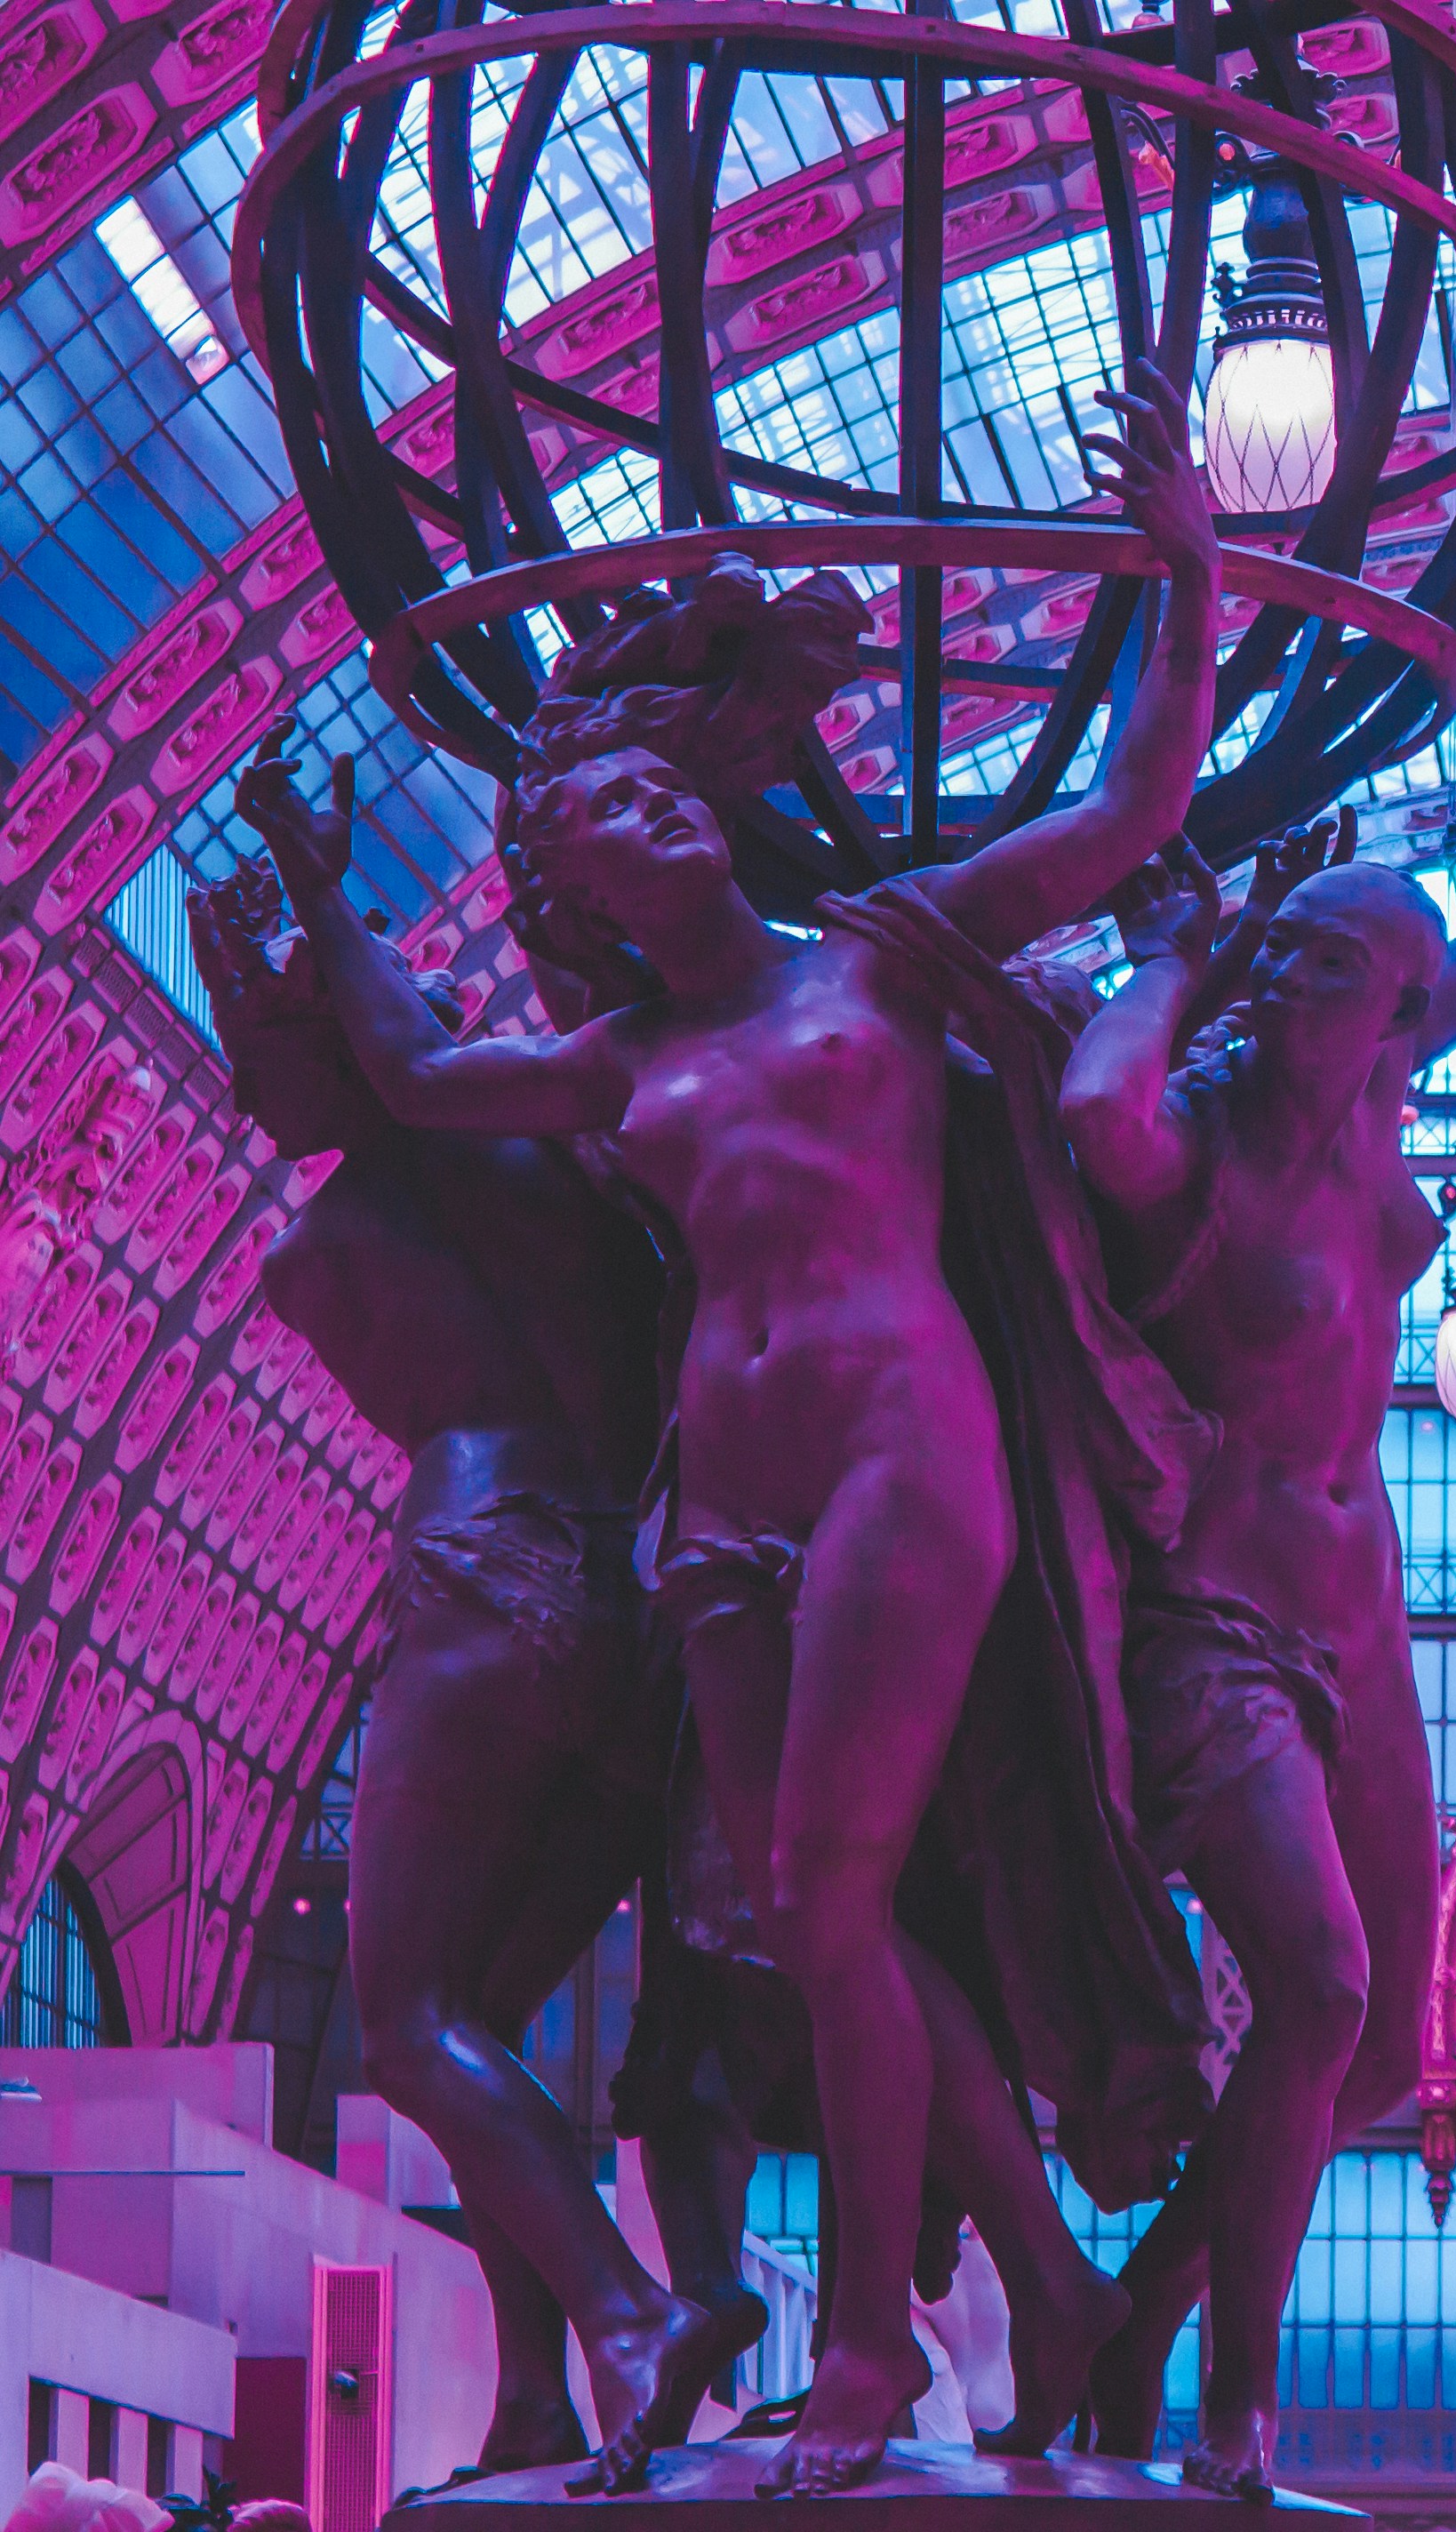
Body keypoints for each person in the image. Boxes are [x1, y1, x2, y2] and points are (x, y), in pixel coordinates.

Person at [241, 361, 1228, 2498]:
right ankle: (980, 2308)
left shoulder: (885, 953)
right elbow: (414, 1078)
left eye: (674, 788)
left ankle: (874, 2340)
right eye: (611, 808)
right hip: (721, 1499)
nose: (664, 809)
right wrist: (321, 898)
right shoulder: (614, 1065)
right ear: (575, 882)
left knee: (840, 1885)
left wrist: (1186, 561)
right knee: (791, 1909)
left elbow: (1134, 806)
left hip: (901, 1450)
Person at [1060, 591, 1456, 2492]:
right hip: (1210, 1619)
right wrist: (1166, 959)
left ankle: (1131, 2326)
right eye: (1314, 960)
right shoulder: (1191, 1140)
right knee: (1312, 1985)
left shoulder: (1376, 1098)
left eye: (1380, 979)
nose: (1365, 998)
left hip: (1354, 1616)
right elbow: (1087, 1106)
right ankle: (1233, 2410)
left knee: (1375, 2046)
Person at [184, 857, 761, 2487]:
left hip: (479, 1576)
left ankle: (622, 2309)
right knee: (493, 2012)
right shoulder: (579, 1169)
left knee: (410, 2015)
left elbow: (390, 1341)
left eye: (261, 1043)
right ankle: (528, 2403)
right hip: (639, 1600)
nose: (244, 1085)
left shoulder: (328, 1248)